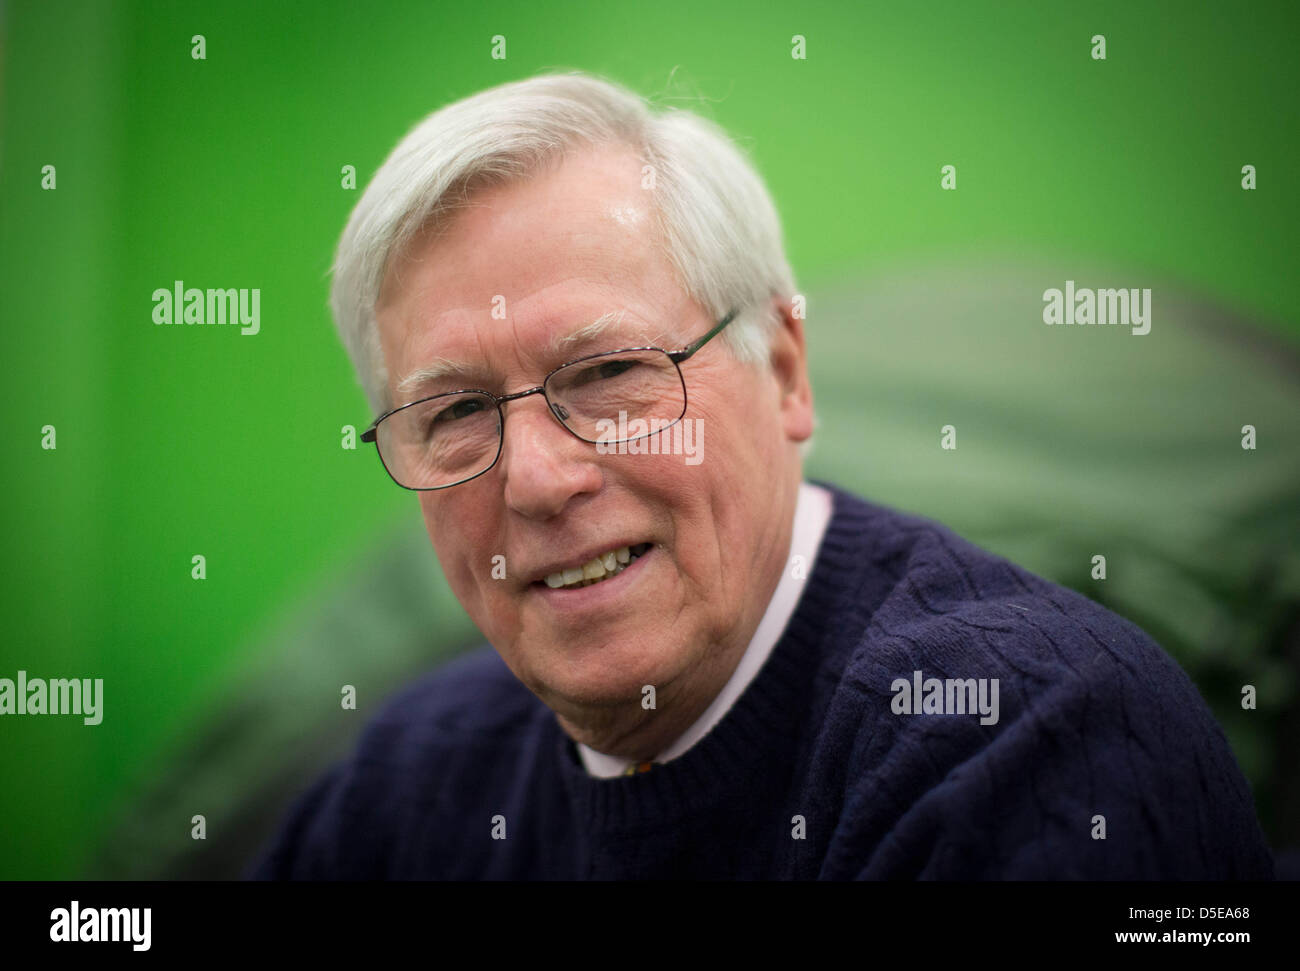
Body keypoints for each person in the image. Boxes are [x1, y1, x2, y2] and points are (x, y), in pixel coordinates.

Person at [249, 72, 1274, 879]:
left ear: (782, 368)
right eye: (458, 412)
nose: (537, 481)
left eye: (608, 373)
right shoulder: (408, 777)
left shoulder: (1030, 742)